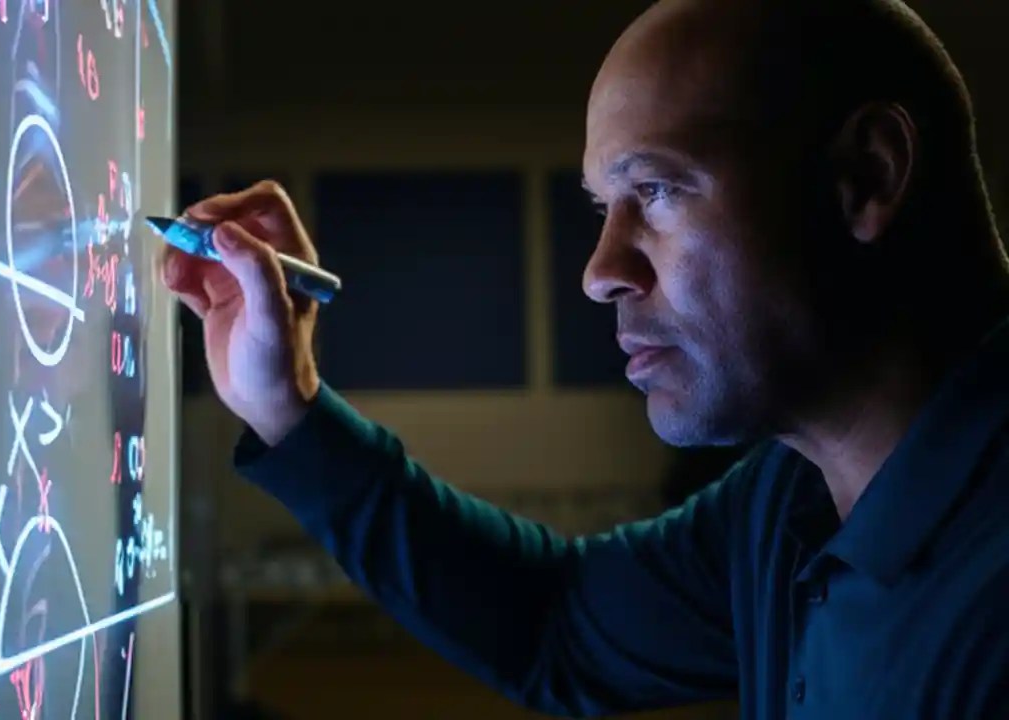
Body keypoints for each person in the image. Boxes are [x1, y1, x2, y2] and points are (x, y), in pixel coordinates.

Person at [161, 0, 1009, 717]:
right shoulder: (793, 494)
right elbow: (557, 625)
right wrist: (287, 405)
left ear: (865, 175)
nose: (601, 273)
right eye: (605, 207)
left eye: (659, 192)